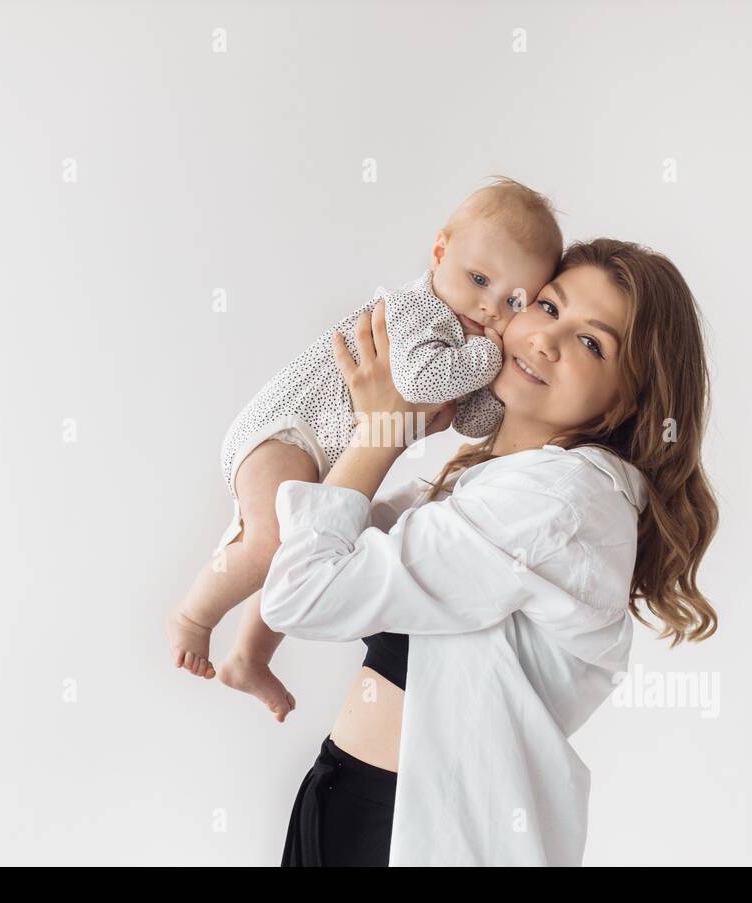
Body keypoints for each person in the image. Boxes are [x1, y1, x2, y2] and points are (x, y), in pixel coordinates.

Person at [262, 238, 720, 866]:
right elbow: (311, 545)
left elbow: (303, 592)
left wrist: (381, 430)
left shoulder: (560, 501)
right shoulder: (493, 484)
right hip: (348, 798)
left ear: (628, 399)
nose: (547, 341)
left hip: (411, 829)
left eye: (594, 343)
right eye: (550, 307)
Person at [165, 177, 563, 722]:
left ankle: (248, 657)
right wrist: (491, 359)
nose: (490, 306)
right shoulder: (417, 309)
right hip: (286, 430)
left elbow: (470, 419)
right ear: (440, 251)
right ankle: (192, 617)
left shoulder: (469, 341)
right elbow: (422, 384)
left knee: (298, 548)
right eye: (478, 279)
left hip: (331, 448)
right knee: (273, 541)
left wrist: (496, 394)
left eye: (514, 300)